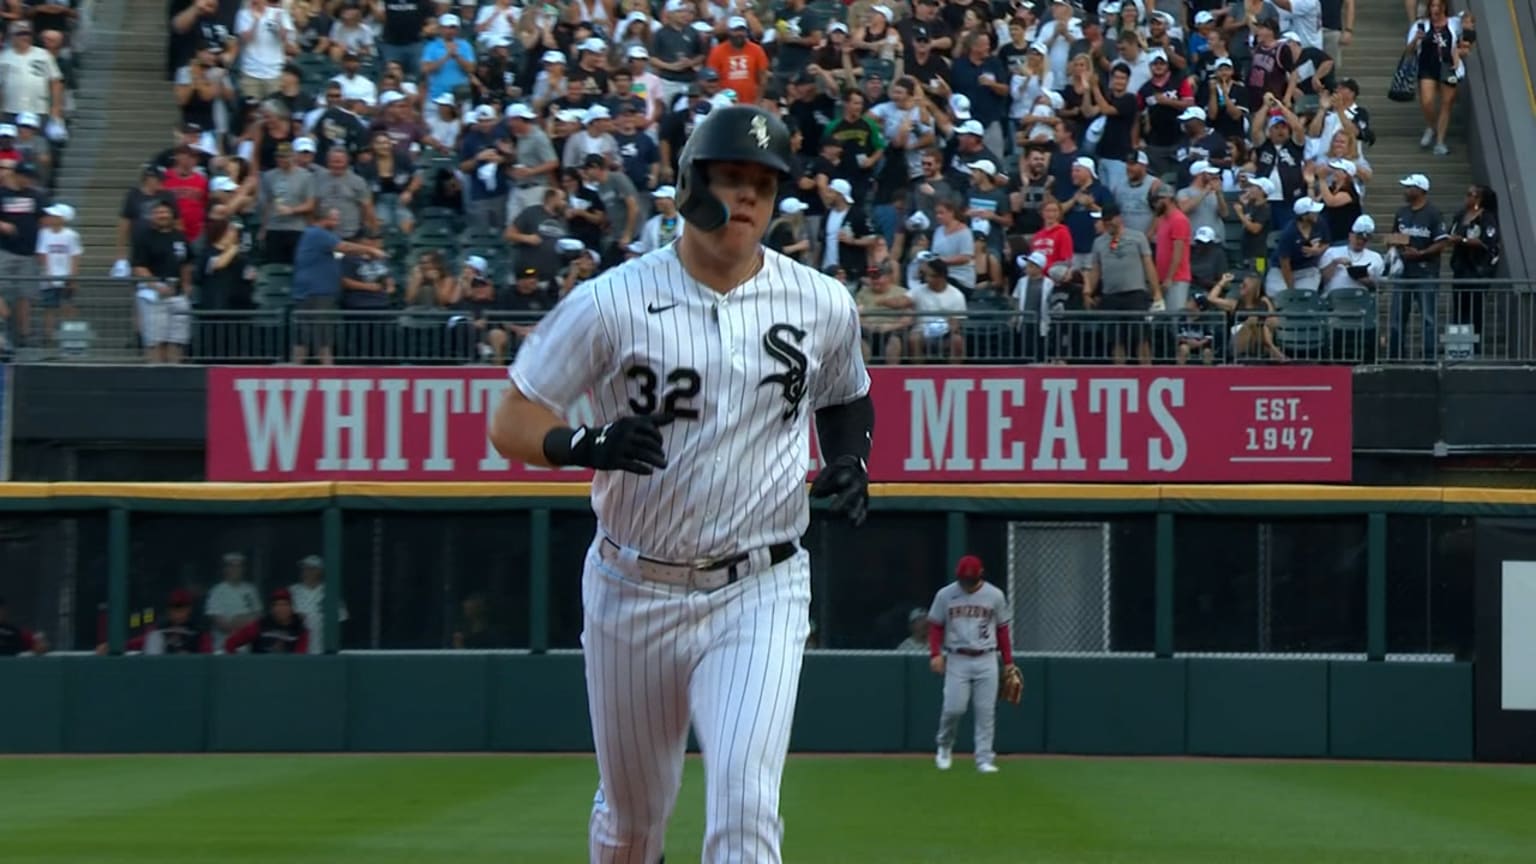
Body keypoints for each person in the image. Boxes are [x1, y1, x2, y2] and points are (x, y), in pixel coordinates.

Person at [488, 105, 872, 864]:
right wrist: (582, 443)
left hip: (760, 585)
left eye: (764, 183)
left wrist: (853, 459)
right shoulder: (611, 300)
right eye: (733, 177)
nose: (750, 197)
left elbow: (847, 390)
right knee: (633, 823)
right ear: (692, 186)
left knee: (745, 806)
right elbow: (511, 419)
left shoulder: (821, 301)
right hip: (633, 586)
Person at [928, 555, 1017, 774]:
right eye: (963, 579)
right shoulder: (946, 594)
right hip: (957, 656)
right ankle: (945, 745)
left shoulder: (994, 595)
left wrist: (1008, 662)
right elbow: (935, 625)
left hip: (986, 657)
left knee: (986, 712)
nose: (966, 583)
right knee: (953, 708)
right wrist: (935, 653)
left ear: (980, 574)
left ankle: (984, 759)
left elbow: (1002, 630)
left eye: (970, 579)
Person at [291, 208, 391, 364]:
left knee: (307, 336)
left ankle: (299, 371)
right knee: (321, 338)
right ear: (323, 219)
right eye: (334, 219)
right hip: (317, 293)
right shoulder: (318, 233)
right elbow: (345, 247)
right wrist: (371, 250)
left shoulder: (315, 235)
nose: (337, 223)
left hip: (312, 293)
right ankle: (325, 373)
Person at [1084, 201, 1161, 364]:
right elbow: (1096, 270)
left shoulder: (1138, 237)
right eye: (1104, 221)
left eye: (1109, 220)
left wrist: (1157, 292)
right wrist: (1088, 290)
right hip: (1111, 295)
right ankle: (1119, 372)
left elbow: (1148, 265)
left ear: (1118, 218)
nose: (1107, 224)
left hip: (1135, 293)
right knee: (1116, 339)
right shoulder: (1099, 242)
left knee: (1141, 336)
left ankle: (1146, 371)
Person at [1389, 173, 1449, 360]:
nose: (1406, 191)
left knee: (1428, 318)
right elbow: (1393, 236)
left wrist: (1421, 253)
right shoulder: (1401, 213)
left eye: (1409, 187)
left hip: (1426, 272)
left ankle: (1429, 356)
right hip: (1403, 272)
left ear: (1420, 190)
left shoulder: (1433, 213)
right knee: (1397, 317)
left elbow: (1441, 242)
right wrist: (1395, 244)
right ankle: (1396, 355)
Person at [131, 200, 194, 364]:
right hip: (154, 297)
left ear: (172, 215)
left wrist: (187, 285)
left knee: (177, 340)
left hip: (178, 296)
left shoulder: (180, 237)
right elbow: (139, 267)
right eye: (158, 212)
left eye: (166, 212)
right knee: (155, 341)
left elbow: (187, 263)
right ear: (152, 216)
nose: (163, 215)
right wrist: (156, 285)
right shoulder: (143, 238)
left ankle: (175, 377)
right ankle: (156, 378)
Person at [1448, 184, 1499, 335]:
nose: (1467, 197)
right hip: (1460, 267)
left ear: (1479, 199)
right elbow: (1451, 232)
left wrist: (1462, 240)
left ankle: (1475, 342)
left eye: (1471, 194)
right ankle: (1458, 342)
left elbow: (1487, 242)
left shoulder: (1487, 217)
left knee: (1474, 307)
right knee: (1459, 306)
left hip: (1477, 269)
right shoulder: (1460, 215)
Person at [34, 202, 80, 344]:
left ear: (62, 219)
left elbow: (75, 256)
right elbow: (42, 254)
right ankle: (49, 338)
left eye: (54, 215)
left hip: (65, 277)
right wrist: (47, 273)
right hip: (49, 278)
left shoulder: (71, 236)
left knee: (67, 307)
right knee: (49, 308)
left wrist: (72, 277)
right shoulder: (44, 233)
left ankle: (70, 339)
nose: (50, 217)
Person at [224, 588, 309, 654]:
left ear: (291, 607)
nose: (281, 609)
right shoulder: (260, 625)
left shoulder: (299, 629)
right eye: (277, 605)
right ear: (272, 609)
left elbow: (299, 659)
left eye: (285, 604)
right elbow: (230, 644)